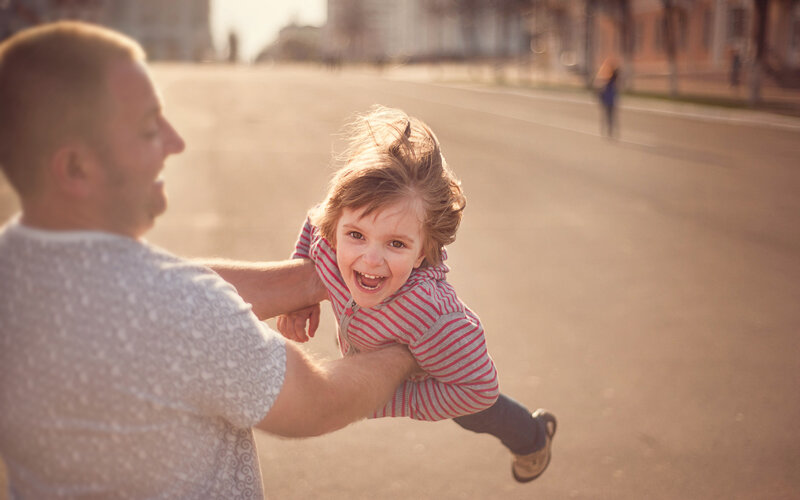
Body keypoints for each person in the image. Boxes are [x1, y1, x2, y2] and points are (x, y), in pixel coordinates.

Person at [0, 22, 420, 499]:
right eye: (146, 128)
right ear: (75, 167)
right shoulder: (182, 311)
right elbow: (317, 403)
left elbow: (156, 295)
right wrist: (405, 349)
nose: (174, 142)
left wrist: (312, 279)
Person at [276, 106, 557, 483]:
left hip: (434, 370)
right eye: (356, 234)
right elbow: (313, 221)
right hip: (370, 338)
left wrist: (389, 396)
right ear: (337, 224)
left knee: (477, 414)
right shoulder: (327, 243)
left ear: (423, 251)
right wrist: (301, 295)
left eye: (395, 243)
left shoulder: (429, 314)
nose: (370, 259)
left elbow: (479, 388)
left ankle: (534, 436)